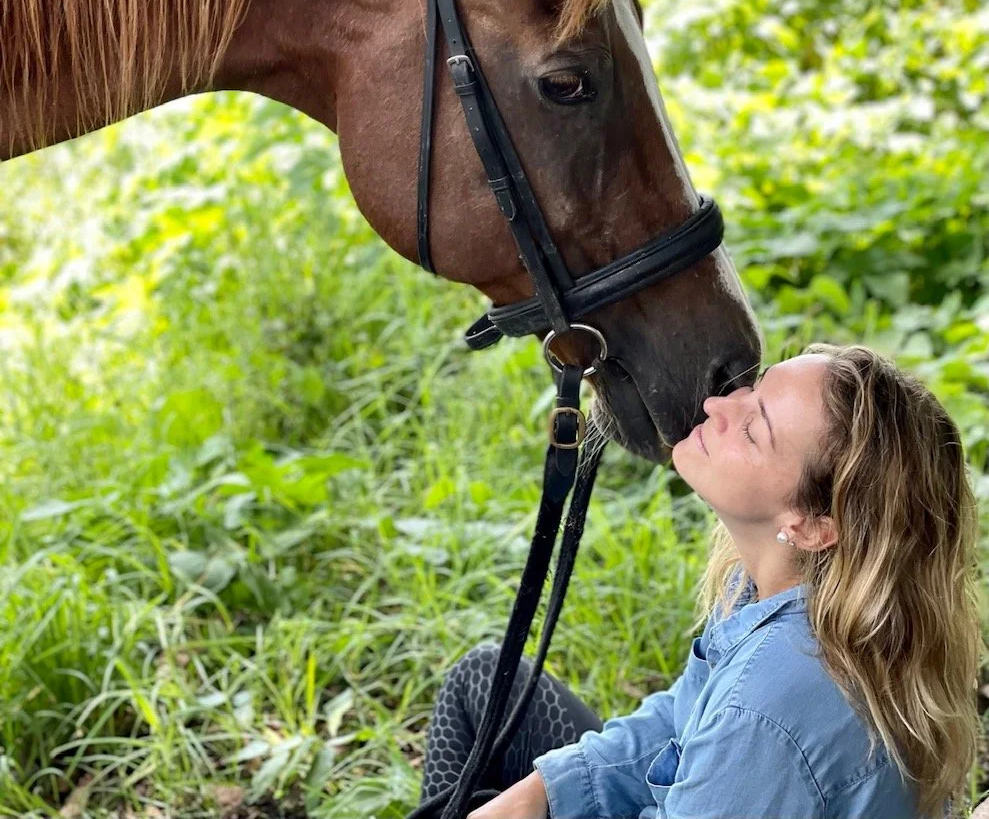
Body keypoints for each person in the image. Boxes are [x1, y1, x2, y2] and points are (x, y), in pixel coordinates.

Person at [418, 344, 984, 818]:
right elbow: (678, 723)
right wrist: (541, 794)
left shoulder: (769, 706)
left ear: (812, 525)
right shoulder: (771, 589)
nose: (717, 404)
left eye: (754, 429)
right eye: (753, 391)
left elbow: (737, 727)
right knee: (484, 683)